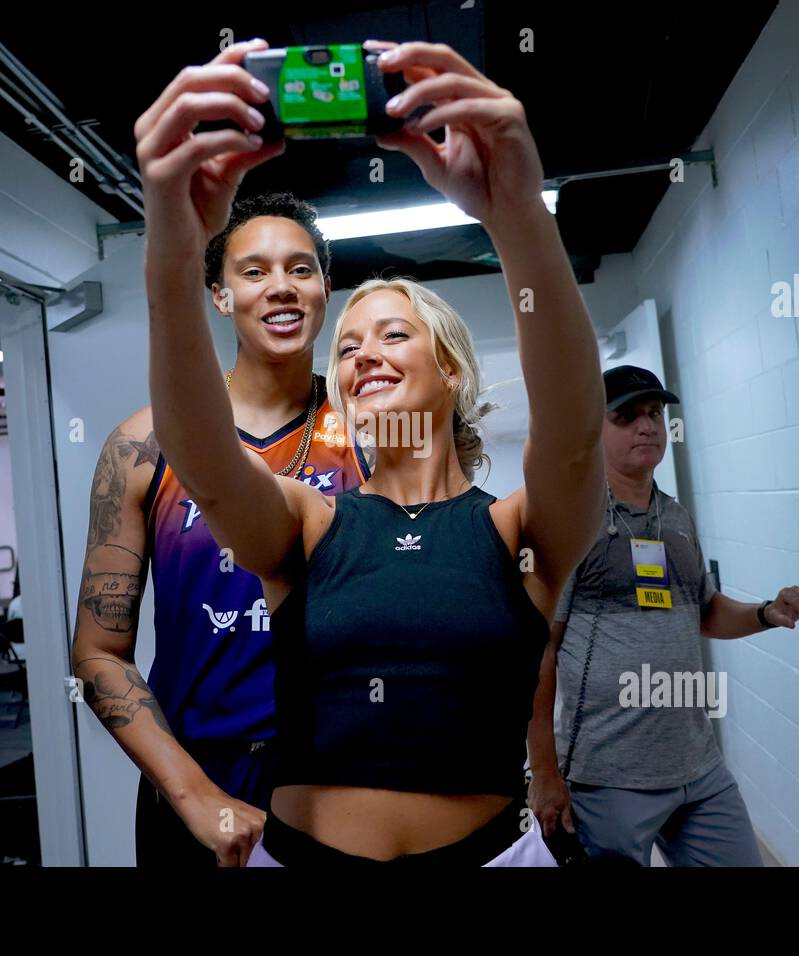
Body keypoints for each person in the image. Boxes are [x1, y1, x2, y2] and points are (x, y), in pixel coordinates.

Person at [136, 37, 605, 866]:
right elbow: (201, 456)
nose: (362, 356)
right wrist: (173, 252)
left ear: (450, 369)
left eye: (394, 333)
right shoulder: (309, 523)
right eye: (347, 347)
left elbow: (571, 440)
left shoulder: (515, 532)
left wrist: (516, 212)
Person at [69, 191, 368, 868]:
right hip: (198, 782)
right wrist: (194, 794)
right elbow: (98, 652)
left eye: (299, 269)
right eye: (254, 271)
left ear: (326, 287)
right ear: (219, 295)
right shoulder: (145, 444)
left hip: (344, 776)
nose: (281, 288)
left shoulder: (372, 436)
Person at [527, 364, 799, 866]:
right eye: (626, 416)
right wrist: (544, 772)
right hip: (606, 776)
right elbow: (540, 647)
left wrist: (764, 612)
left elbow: (706, 613)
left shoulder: (676, 517)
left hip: (698, 767)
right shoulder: (573, 523)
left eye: (654, 413)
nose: (647, 426)